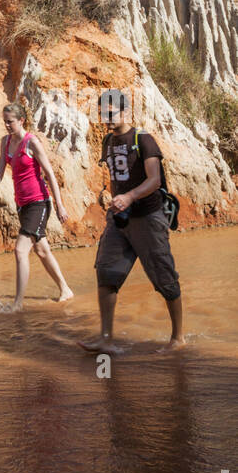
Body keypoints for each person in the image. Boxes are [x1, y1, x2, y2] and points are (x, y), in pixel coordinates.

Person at [79, 90, 184, 355]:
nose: (105, 119)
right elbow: (117, 178)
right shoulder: (107, 141)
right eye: (102, 114)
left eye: (111, 113)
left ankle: (178, 338)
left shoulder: (144, 140)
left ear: (126, 112)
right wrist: (115, 199)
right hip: (119, 220)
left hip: (148, 218)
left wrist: (129, 196)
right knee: (106, 272)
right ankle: (106, 338)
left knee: (164, 277)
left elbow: (154, 180)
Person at [0, 101, 73, 311]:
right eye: (5, 122)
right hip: (22, 205)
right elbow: (0, 168)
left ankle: (17, 303)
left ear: (21, 121)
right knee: (42, 251)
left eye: (11, 122)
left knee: (20, 250)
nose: (7, 126)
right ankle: (65, 289)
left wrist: (60, 205)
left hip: (39, 203)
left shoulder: (31, 142)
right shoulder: (5, 142)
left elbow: (50, 174)